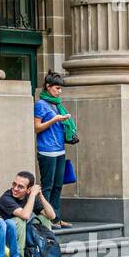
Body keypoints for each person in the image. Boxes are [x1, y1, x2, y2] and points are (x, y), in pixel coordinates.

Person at [34, 73, 75, 227]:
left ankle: (56, 218)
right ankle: (46, 219)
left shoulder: (57, 104)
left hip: (59, 150)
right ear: (48, 87)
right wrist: (54, 120)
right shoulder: (40, 104)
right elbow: (37, 128)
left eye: (60, 88)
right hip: (46, 151)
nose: (60, 91)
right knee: (47, 186)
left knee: (58, 185)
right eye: (57, 88)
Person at [0, 171, 56, 257]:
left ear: (28, 190)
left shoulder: (30, 197)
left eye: (20, 187)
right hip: (4, 240)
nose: (15, 188)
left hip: (22, 236)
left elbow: (52, 216)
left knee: (44, 218)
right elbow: (25, 215)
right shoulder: (6, 198)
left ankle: (46, 253)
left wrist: (40, 195)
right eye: (14, 184)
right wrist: (32, 194)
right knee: (19, 220)